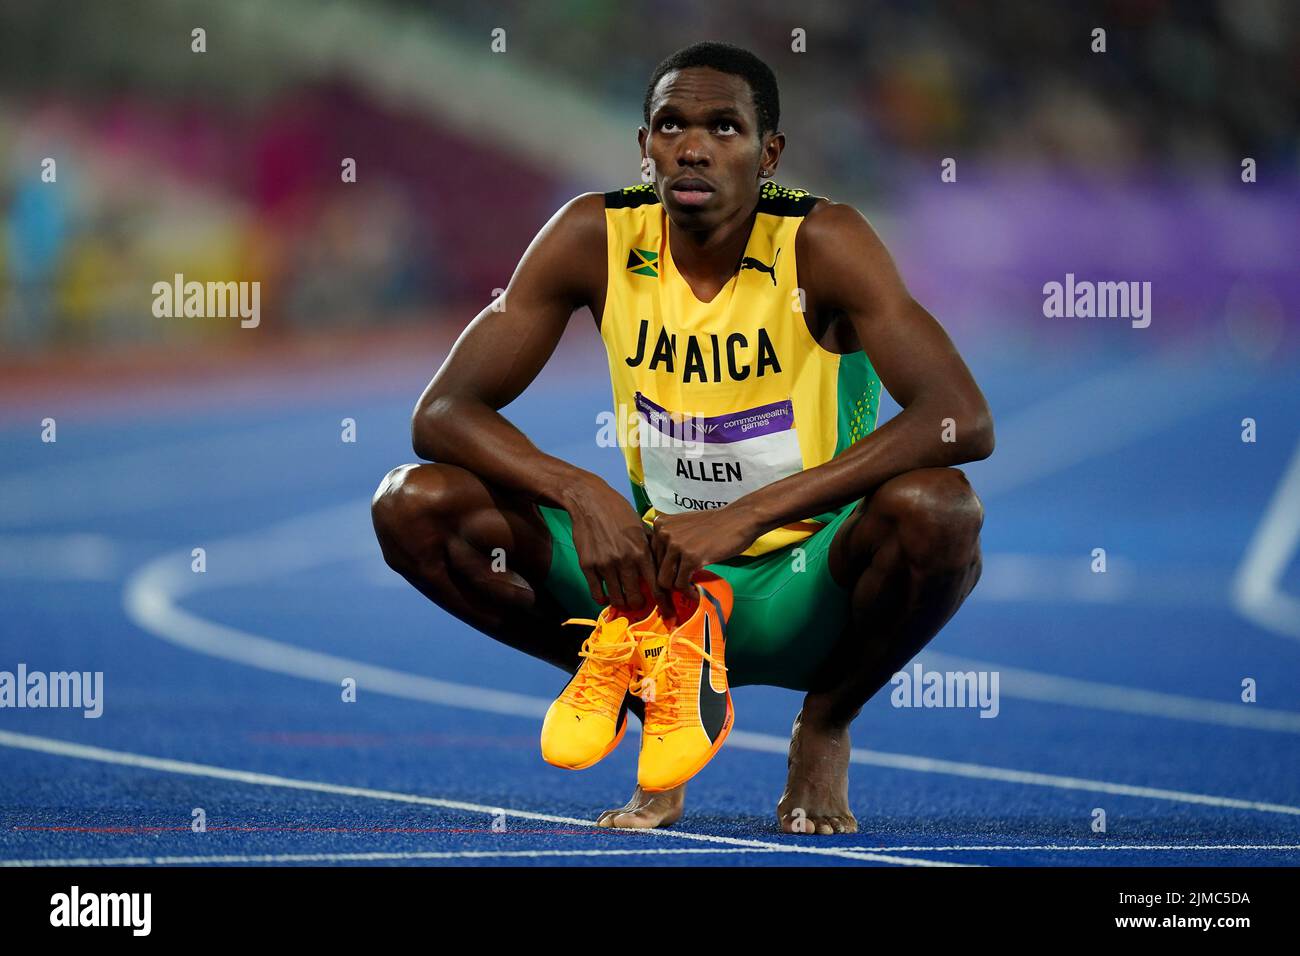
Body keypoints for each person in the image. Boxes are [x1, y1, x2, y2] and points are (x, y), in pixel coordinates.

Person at [372, 41, 992, 834]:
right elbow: (444, 412)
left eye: (724, 128)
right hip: (654, 585)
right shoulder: (593, 235)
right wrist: (580, 491)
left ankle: (826, 725)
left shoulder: (823, 243)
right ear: (643, 147)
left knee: (941, 512)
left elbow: (960, 416)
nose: (693, 147)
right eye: (670, 125)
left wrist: (750, 513)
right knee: (413, 504)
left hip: (807, 585)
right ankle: (660, 704)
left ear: (769, 154)